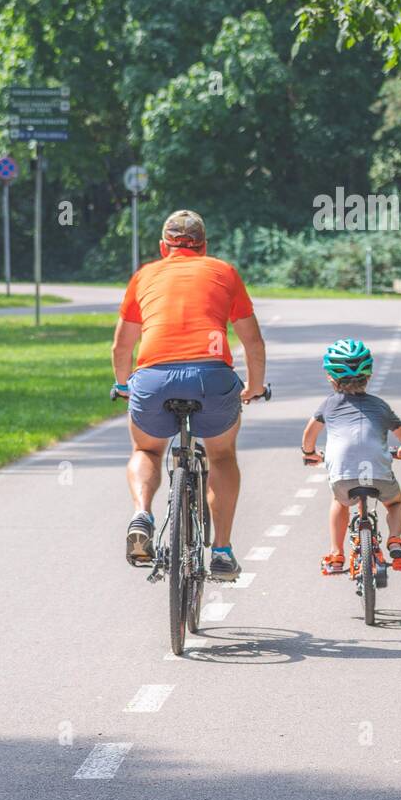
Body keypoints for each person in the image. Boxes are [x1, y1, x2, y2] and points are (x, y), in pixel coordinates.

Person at [110, 209, 266, 582]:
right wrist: (255, 386)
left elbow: (121, 347)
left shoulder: (144, 275)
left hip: (152, 380)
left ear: (163, 247)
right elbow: (252, 342)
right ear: (204, 246)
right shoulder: (224, 271)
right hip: (210, 379)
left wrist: (122, 385)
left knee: (147, 450)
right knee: (222, 454)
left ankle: (142, 514)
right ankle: (223, 551)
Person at [301, 339, 401, 576]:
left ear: (331, 378)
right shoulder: (380, 406)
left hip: (343, 477)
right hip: (379, 475)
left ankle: (336, 554)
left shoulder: (329, 405)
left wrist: (309, 453)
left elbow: (309, 434)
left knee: (340, 502)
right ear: (369, 375)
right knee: (394, 502)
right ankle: (395, 540)